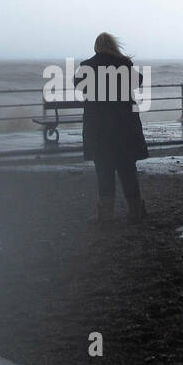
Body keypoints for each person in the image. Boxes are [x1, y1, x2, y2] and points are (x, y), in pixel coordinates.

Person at [79, 33, 149, 224]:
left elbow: (80, 86)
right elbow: (139, 82)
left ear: (96, 46)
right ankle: (135, 212)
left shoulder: (87, 65)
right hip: (124, 126)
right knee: (127, 170)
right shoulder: (124, 64)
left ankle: (106, 216)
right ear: (114, 46)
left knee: (103, 170)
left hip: (98, 128)